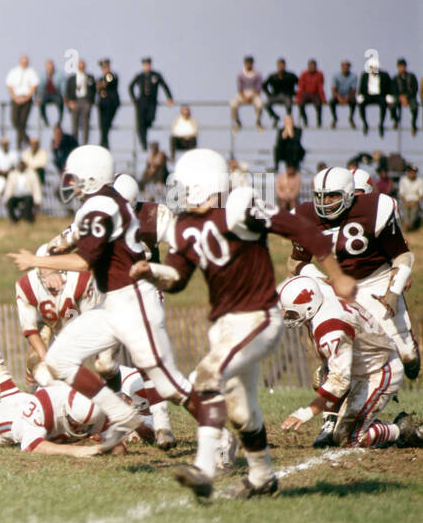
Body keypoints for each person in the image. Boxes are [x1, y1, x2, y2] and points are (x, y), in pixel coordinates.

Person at [131, 149, 353, 498]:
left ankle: (203, 469)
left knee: (207, 375)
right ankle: (262, 477)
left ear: (203, 185)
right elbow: (177, 279)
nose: (181, 193)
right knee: (241, 412)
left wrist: (337, 275)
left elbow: (297, 227)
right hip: (224, 326)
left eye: (185, 185)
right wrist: (152, 272)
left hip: (258, 317)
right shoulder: (187, 227)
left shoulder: (238, 207)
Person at [5, 145, 207, 477]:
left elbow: (84, 262)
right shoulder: (105, 203)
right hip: (114, 302)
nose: (69, 183)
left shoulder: (101, 207)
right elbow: (77, 242)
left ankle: (222, 435)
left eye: (75, 177)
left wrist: (36, 260)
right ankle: (122, 414)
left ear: (91, 177)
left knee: (168, 385)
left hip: (136, 301)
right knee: (58, 361)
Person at [288, 165, 418, 381]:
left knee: (409, 360)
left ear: (350, 195)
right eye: (320, 196)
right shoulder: (305, 216)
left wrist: (393, 291)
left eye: (332, 196)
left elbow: (402, 255)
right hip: (340, 286)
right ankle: (327, 368)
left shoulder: (374, 209)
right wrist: (322, 283)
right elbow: (295, 263)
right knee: (340, 346)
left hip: (376, 279)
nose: (325, 203)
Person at [277, 275, 419, 449]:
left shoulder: (332, 329)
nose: (288, 318)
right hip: (361, 364)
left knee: (349, 439)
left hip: (379, 371)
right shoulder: (322, 298)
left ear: (308, 307)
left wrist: (305, 413)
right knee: (324, 376)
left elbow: (339, 382)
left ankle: (401, 430)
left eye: (291, 313)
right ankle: (332, 426)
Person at [129, 57, 174, 152]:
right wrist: (133, 98)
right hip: (141, 102)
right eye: (145, 65)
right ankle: (144, 144)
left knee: (150, 119)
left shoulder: (156, 75)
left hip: (152, 102)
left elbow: (164, 86)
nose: (146, 66)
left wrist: (169, 98)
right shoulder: (139, 76)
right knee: (140, 125)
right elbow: (131, 86)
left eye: (148, 64)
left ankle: (146, 131)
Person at [5, 54, 38, 148]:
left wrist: (26, 98)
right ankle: (26, 140)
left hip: (26, 99)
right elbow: (10, 86)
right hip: (16, 99)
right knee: (14, 120)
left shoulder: (31, 72)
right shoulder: (14, 71)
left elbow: (34, 87)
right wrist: (15, 97)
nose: (24, 63)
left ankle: (19, 144)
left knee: (23, 122)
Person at [229, 55, 265, 132]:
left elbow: (258, 88)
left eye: (250, 63)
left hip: (254, 94)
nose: (248, 65)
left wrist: (251, 96)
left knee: (260, 104)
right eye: (247, 63)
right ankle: (238, 122)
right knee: (233, 104)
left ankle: (258, 122)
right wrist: (244, 97)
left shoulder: (257, 74)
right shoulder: (240, 74)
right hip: (242, 94)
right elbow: (239, 88)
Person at [64, 59, 95, 144]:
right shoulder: (71, 78)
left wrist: (90, 102)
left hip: (85, 101)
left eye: (83, 66)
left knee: (85, 125)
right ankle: (75, 143)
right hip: (75, 102)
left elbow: (93, 90)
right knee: (74, 125)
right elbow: (67, 91)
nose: (81, 67)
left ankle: (85, 144)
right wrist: (69, 102)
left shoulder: (90, 77)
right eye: (80, 65)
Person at [358, 59, 390, 137]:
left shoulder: (384, 75)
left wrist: (389, 97)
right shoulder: (364, 75)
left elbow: (389, 87)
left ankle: (381, 124)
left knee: (384, 103)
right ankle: (365, 124)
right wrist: (360, 96)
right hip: (368, 96)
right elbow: (361, 88)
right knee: (361, 104)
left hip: (379, 95)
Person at [262, 58, 297, 126]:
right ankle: (275, 117)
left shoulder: (290, 76)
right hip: (275, 96)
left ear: (284, 66)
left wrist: (295, 94)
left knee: (289, 104)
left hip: (286, 95)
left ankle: (288, 121)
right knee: (266, 104)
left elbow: (300, 84)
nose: (281, 67)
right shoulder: (273, 76)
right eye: (279, 65)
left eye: (282, 65)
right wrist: (268, 94)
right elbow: (264, 85)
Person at [5, 159, 41, 223]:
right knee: (10, 201)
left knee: (29, 200)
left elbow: (36, 188)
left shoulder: (32, 174)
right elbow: (9, 188)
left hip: (27, 195)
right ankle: (14, 220)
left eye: (22, 166)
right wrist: (7, 199)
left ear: (25, 166)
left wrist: (37, 200)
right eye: (19, 166)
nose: (21, 167)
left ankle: (28, 219)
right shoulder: (12, 174)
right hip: (16, 195)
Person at [95, 58, 121, 149]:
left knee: (106, 124)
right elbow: (97, 88)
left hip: (111, 104)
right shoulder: (100, 78)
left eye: (106, 67)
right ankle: (104, 142)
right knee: (102, 125)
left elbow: (107, 83)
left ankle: (104, 142)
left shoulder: (111, 75)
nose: (105, 69)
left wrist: (101, 84)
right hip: (102, 104)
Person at [295, 59, 326, 128]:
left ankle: (319, 121)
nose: (312, 68)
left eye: (313, 66)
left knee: (318, 104)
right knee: (300, 104)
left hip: (315, 94)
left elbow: (320, 87)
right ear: (308, 66)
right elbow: (301, 87)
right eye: (310, 66)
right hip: (306, 94)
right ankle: (305, 120)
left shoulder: (319, 74)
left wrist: (323, 98)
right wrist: (297, 98)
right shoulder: (304, 74)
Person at [392, 58, 419, 136]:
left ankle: (413, 125)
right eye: (400, 66)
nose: (402, 68)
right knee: (392, 106)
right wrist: (400, 97)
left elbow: (415, 88)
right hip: (399, 97)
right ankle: (396, 121)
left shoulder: (411, 76)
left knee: (414, 107)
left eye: (403, 66)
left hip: (410, 97)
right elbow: (393, 90)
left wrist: (406, 97)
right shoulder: (395, 78)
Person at [35, 59, 63, 129]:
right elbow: (39, 88)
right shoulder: (41, 76)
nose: (50, 68)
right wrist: (37, 97)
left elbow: (63, 87)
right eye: (48, 67)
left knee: (60, 101)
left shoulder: (60, 75)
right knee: (41, 103)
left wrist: (64, 96)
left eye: (51, 67)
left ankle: (59, 121)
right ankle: (45, 121)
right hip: (45, 94)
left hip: (56, 94)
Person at [329, 60, 357, 130]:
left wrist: (347, 97)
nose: (345, 68)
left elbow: (353, 90)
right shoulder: (336, 76)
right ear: (341, 67)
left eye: (347, 67)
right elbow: (333, 89)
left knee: (354, 102)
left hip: (348, 96)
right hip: (338, 95)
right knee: (331, 102)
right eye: (344, 67)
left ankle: (351, 118)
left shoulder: (353, 76)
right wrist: (338, 97)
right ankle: (334, 119)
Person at [399, 164, 422, 231]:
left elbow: (421, 195)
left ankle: (408, 225)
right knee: (404, 209)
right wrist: (406, 202)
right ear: (408, 172)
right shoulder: (403, 180)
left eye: (414, 172)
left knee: (414, 211)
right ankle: (407, 225)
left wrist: (414, 202)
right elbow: (401, 193)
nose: (413, 174)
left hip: (415, 201)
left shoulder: (419, 181)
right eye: (411, 172)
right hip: (405, 201)